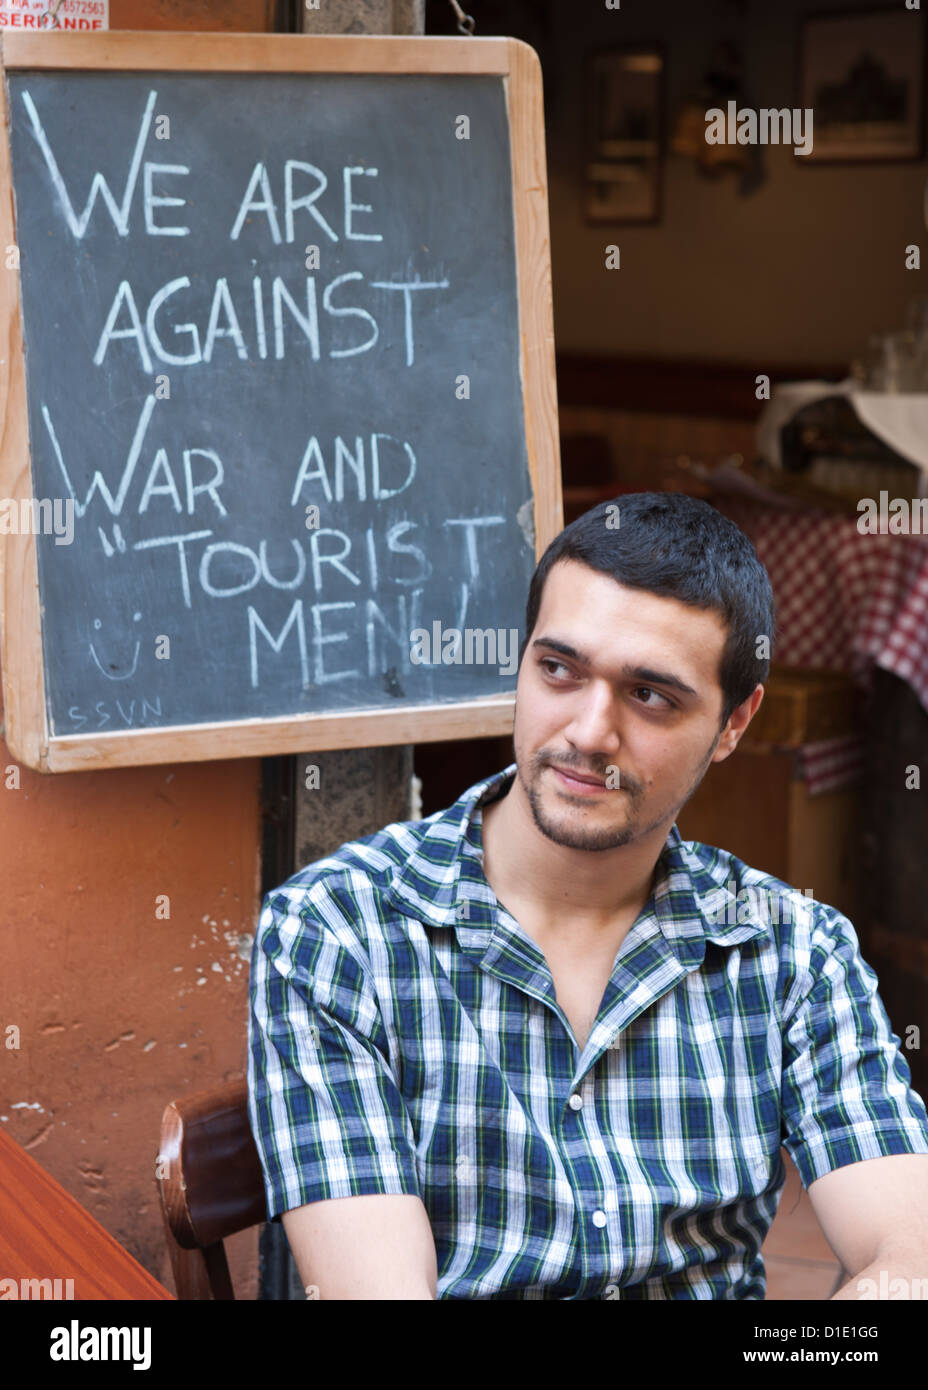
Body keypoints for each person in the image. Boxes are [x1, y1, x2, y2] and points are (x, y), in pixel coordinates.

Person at [247, 491, 928, 1300]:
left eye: (650, 695)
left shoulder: (793, 951)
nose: (588, 732)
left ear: (736, 722)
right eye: (559, 669)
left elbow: (908, 1253)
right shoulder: (336, 930)